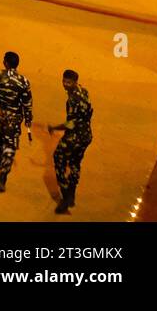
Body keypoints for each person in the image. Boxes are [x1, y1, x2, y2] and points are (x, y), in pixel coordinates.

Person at [0, 51, 34, 193]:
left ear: (5, 63)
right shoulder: (23, 82)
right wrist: (28, 119)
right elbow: (27, 103)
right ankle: (3, 176)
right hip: (13, 119)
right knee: (10, 145)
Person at [47, 69, 93, 214]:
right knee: (75, 163)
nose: (65, 84)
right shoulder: (83, 91)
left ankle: (65, 196)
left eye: (68, 82)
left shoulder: (72, 100)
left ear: (75, 82)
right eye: (64, 81)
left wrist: (54, 128)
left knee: (58, 159)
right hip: (86, 135)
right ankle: (72, 194)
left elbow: (70, 124)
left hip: (75, 136)